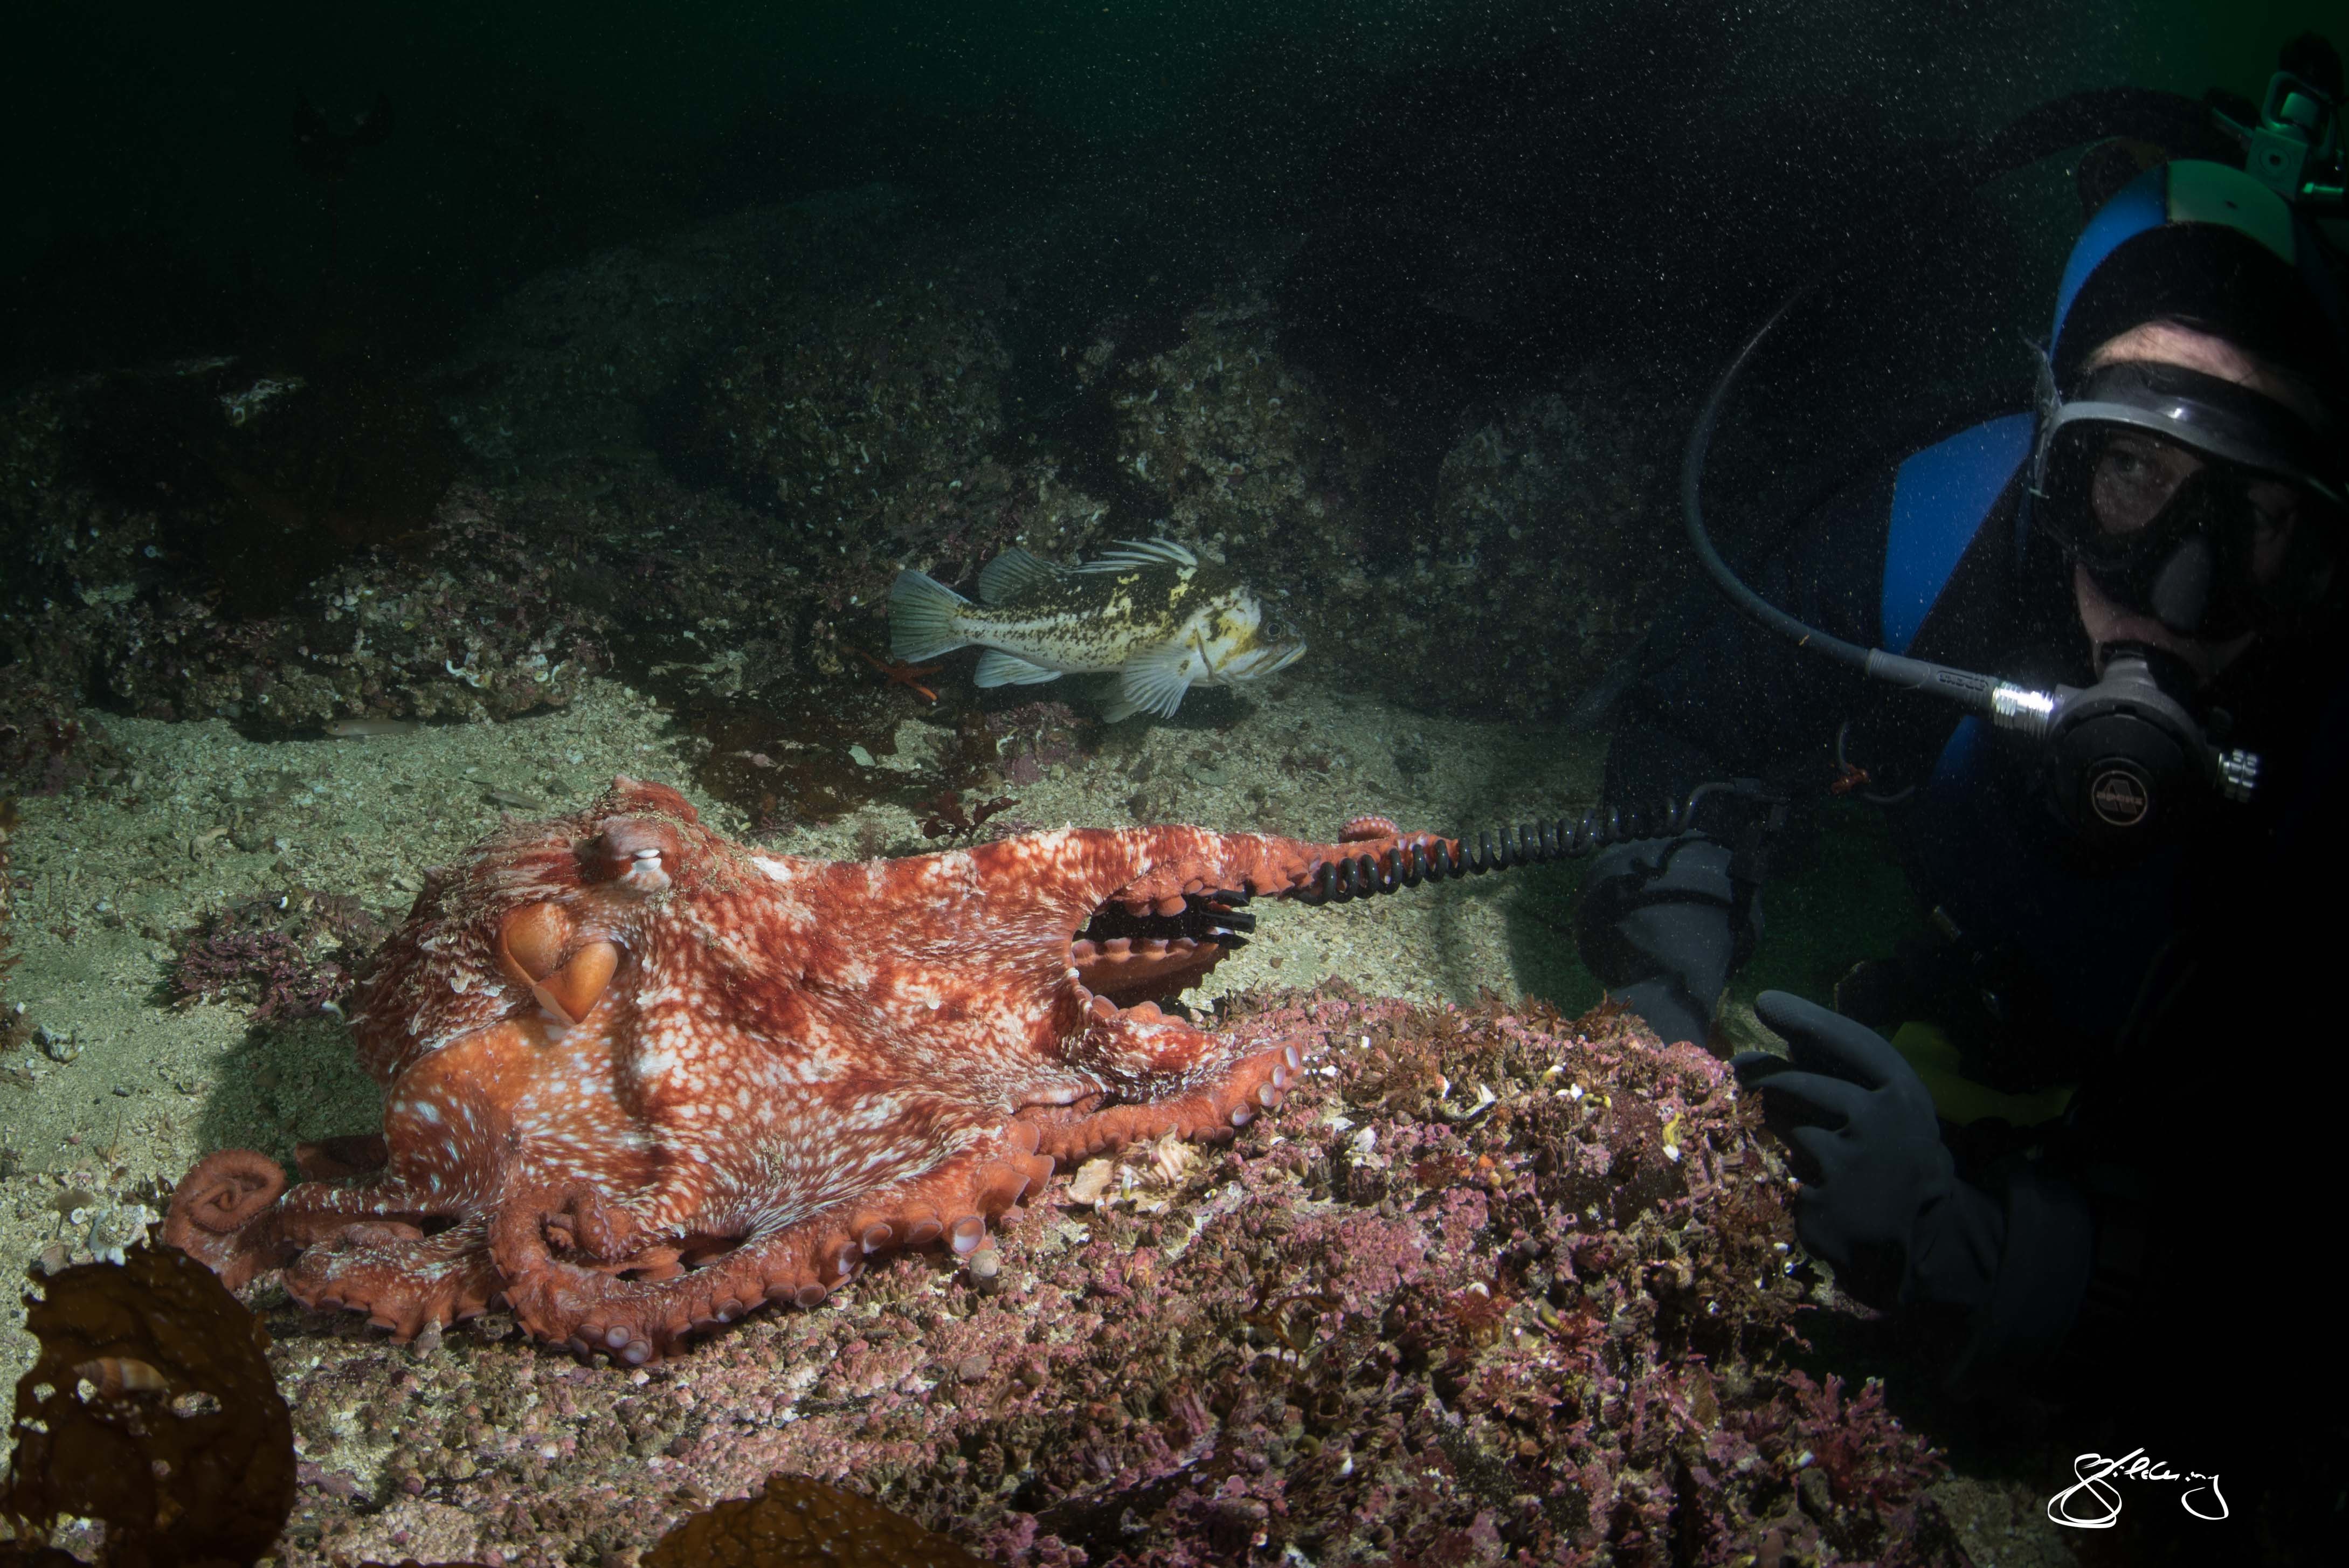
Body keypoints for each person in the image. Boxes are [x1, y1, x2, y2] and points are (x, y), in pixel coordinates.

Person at [1578, 148, 2347, 1474]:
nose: (2175, 585)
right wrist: (1665, 967)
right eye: (2128, 481)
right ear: (2049, 459)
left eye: (2257, 521)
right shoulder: (1941, 520)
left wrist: (2008, 1262)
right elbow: (1684, 716)